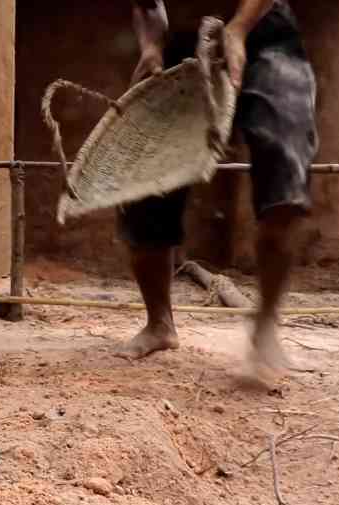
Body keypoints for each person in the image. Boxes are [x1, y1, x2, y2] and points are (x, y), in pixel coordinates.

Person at [117, 0, 318, 380]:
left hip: (263, 32)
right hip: (183, 41)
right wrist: (151, 46)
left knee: (284, 173)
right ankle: (159, 325)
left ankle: (265, 328)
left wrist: (239, 28)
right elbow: (146, 5)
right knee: (144, 181)